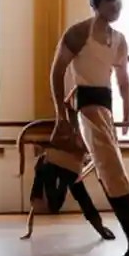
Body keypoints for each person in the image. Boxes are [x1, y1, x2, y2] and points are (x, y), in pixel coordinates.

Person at [49, 0, 129, 256]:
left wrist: (127, 113)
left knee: (112, 176)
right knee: (113, 174)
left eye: (119, 2)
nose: (116, 7)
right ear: (96, 4)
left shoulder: (118, 40)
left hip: (104, 111)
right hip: (86, 109)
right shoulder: (79, 33)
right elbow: (57, 71)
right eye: (110, 2)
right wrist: (60, 115)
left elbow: (123, 79)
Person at [17, 94, 116, 241]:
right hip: (53, 163)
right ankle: (100, 229)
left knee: (78, 198)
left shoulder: (83, 127)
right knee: (50, 195)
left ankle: (100, 228)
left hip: (68, 168)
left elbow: (85, 148)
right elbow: (58, 142)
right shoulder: (64, 125)